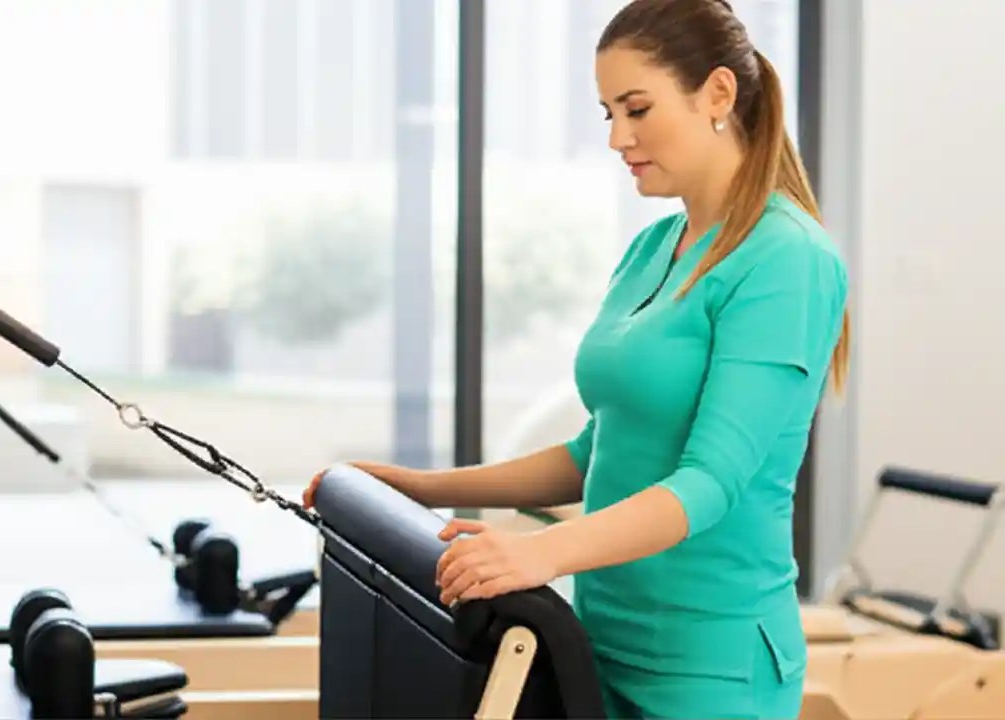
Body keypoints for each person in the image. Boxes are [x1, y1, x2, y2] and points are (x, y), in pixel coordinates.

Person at [304, 0, 849, 717]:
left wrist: (541, 554)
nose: (619, 137)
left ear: (718, 93)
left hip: (710, 669)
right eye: (607, 114)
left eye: (637, 108)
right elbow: (599, 451)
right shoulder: (653, 250)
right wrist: (420, 485)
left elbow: (710, 483)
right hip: (597, 638)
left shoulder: (788, 260)